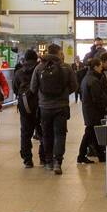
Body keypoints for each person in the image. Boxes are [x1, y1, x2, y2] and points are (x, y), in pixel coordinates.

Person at [31, 42, 77, 175]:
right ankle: (58, 162)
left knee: (46, 135)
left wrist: (43, 95)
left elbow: (33, 88)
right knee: (60, 135)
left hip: (44, 107)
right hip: (61, 107)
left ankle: (48, 162)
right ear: (58, 53)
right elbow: (74, 86)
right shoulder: (66, 67)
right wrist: (63, 94)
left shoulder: (39, 67)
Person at [77, 53, 107, 164]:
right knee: (89, 133)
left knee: (93, 133)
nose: (101, 67)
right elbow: (97, 97)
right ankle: (81, 156)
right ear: (96, 67)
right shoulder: (93, 80)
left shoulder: (88, 78)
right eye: (100, 66)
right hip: (93, 111)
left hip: (89, 110)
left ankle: (100, 156)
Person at [14, 48, 41, 167]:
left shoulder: (19, 72)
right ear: (36, 59)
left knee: (25, 133)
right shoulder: (40, 70)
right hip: (40, 105)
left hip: (25, 106)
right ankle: (44, 157)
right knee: (43, 132)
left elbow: (15, 89)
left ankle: (27, 160)